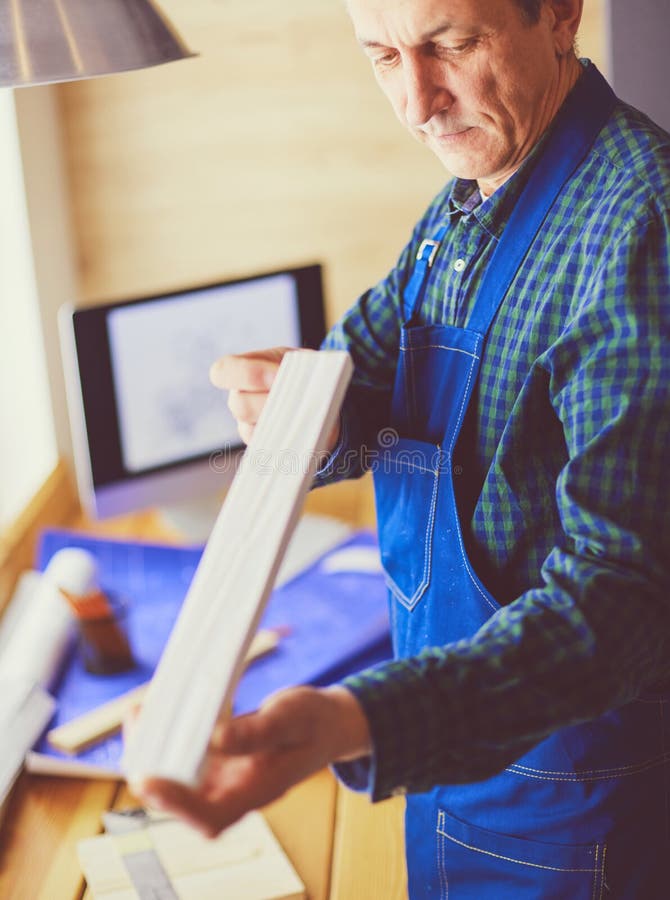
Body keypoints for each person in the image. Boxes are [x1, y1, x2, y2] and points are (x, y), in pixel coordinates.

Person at [132, 1, 670, 895]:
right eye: (382, 57)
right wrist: (304, 409)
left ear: (562, 14)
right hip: (451, 771)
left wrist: (355, 721)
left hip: (575, 808)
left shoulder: (642, 229)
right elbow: (368, 373)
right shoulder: (464, 208)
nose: (417, 102)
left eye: (451, 45)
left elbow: (623, 602)